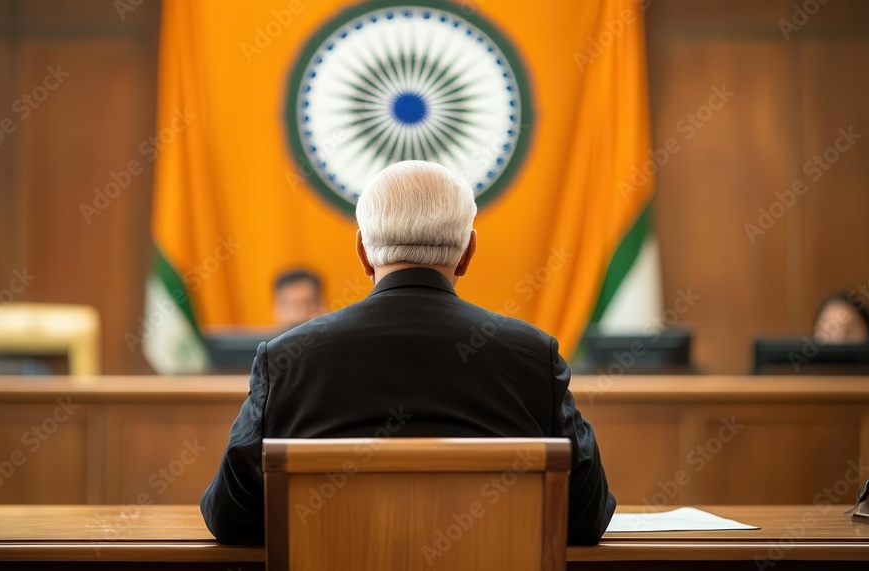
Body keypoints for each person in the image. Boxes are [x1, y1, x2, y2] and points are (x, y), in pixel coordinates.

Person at [200, 160, 616, 546]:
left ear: (362, 252)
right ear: (468, 252)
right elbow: (587, 518)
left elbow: (230, 519)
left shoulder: (286, 358)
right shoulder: (531, 355)